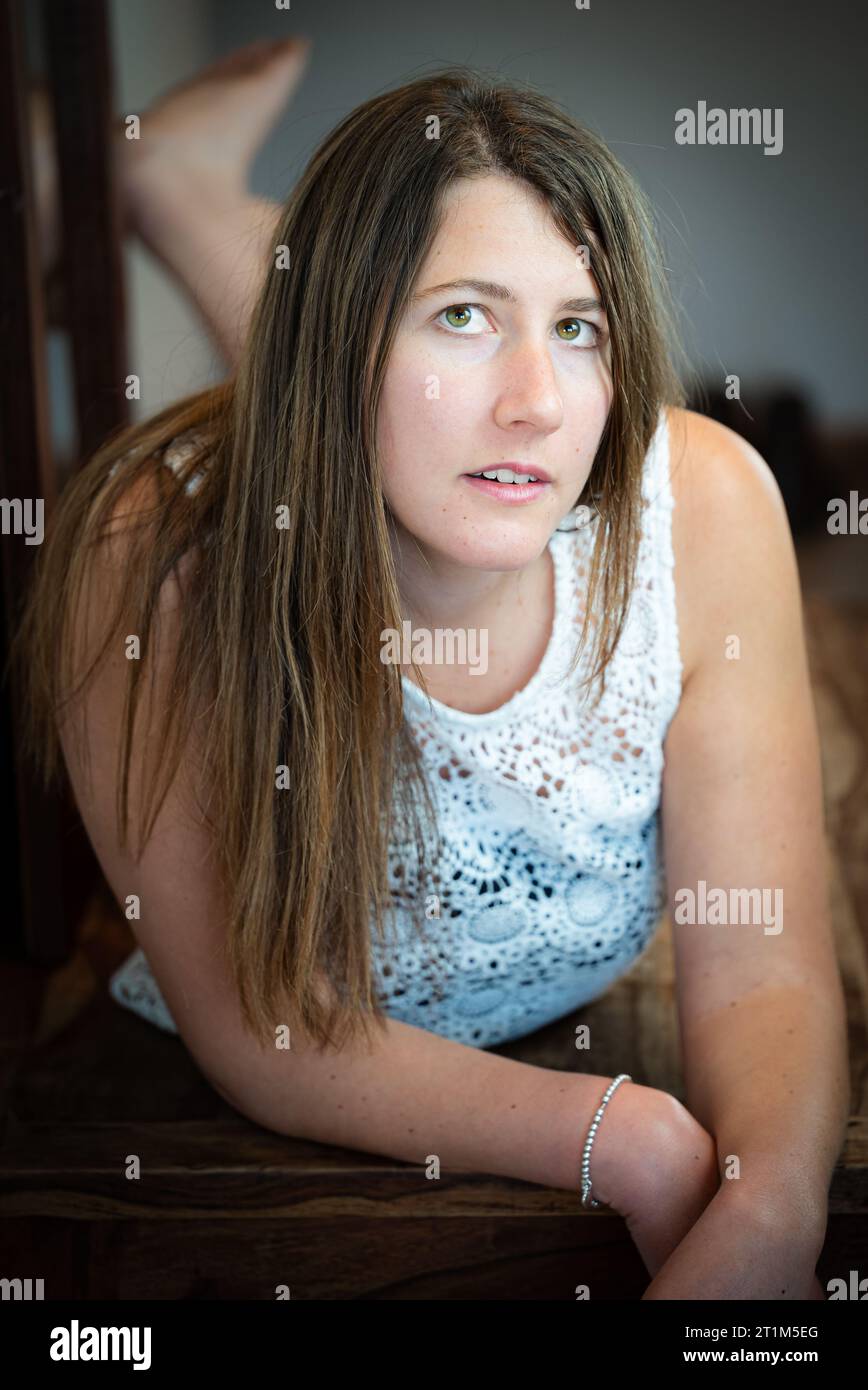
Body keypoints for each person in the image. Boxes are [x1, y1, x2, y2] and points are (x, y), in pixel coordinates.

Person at [12, 39, 847, 1299]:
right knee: (337, 459)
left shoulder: (704, 501)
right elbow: (264, 1024)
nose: (541, 401)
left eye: (582, 328)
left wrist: (773, 1215)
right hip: (292, 465)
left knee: (423, 447)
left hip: (356, 416)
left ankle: (181, 186)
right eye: (465, 315)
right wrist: (619, 1133)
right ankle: (193, 197)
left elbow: (769, 964)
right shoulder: (146, 566)